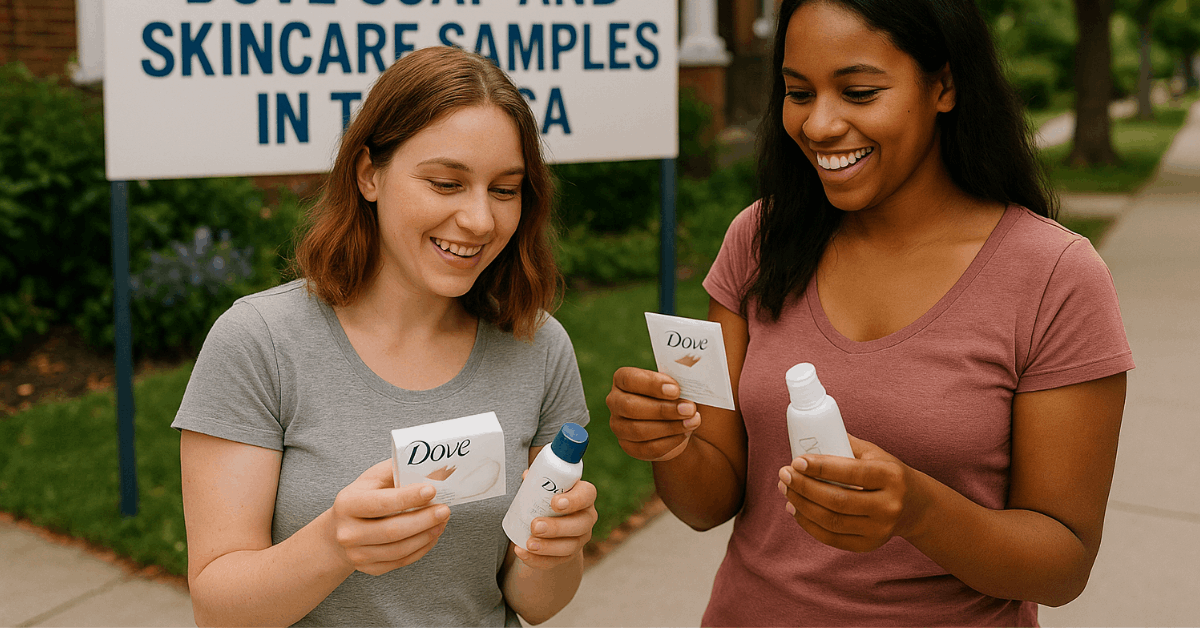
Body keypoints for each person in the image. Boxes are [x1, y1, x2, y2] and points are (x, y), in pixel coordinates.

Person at [607, 0, 1133, 625]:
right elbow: (707, 502)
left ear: (944, 86)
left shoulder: (1054, 277)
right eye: (798, 93)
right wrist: (668, 443)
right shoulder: (760, 240)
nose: (819, 124)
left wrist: (918, 510)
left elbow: (1062, 565)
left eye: (858, 92)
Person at [173, 46, 595, 627]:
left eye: (504, 190)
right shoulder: (259, 343)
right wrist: (334, 545)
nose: (480, 220)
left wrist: (555, 551)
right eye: (446, 183)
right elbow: (217, 610)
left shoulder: (538, 346)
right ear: (369, 174)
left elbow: (535, 603)